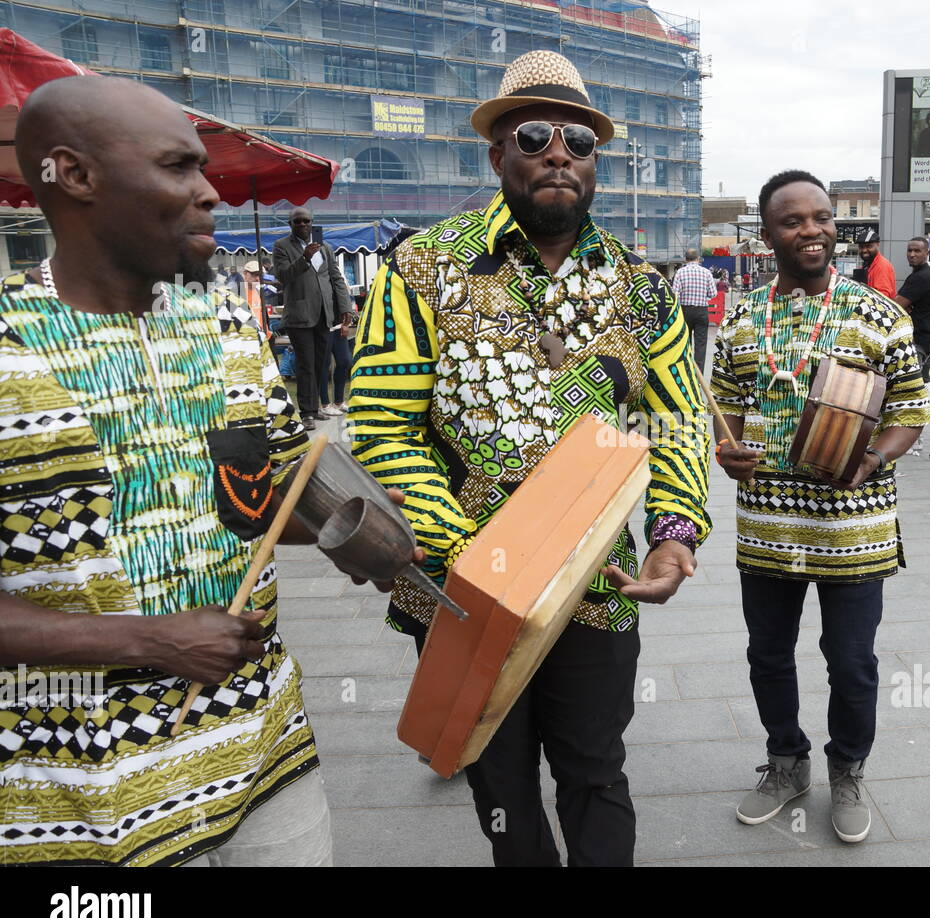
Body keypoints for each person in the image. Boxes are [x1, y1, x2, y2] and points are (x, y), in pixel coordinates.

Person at [0, 74, 411, 866]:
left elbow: (263, 500)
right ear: (76, 176)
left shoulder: (225, 325)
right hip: (83, 805)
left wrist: (345, 527)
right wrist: (147, 640)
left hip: (267, 760)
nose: (210, 193)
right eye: (178, 167)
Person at [348, 50, 711, 867]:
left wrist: (674, 532)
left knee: (596, 771)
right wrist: (466, 554)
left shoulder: (640, 287)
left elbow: (678, 419)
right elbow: (383, 426)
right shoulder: (422, 269)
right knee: (498, 783)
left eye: (578, 141)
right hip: (463, 586)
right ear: (497, 153)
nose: (559, 154)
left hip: (598, 577)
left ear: (594, 160)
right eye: (536, 135)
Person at [711, 170, 928, 843]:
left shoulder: (879, 314)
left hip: (853, 526)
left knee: (852, 661)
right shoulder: (743, 317)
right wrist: (727, 451)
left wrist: (874, 457)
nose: (813, 231)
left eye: (823, 218)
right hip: (768, 526)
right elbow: (727, 414)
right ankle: (786, 761)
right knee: (768, 654)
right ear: (766, 233)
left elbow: (911, 412)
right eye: (793, 221)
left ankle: (848, 769)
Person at [272, 208, 355, 431]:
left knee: (321, 363)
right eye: (297, 221)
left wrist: (345, 307)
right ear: (290, 224)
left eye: (306, 221)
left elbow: (336, 279)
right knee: (306, 364)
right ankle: (307, 412)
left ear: (312, 223)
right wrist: (304, 258)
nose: (302, 225)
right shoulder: (282, 246)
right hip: (300, 315)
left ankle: (316, 407)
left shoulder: (326, 248)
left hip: (324, 314)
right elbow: (282, 276)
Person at [895, 236, 930, 382]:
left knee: (909, 387)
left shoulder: (922, 277)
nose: (912, 254)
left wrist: (902, 307)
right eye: (909, 250)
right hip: (916, 341)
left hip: (916, 342)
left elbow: (895, 306)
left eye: (917, 251)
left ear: (927, 253)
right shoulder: (918, 275)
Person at [671, 247, 717, 373]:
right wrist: (702, 295)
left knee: (685, 343)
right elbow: (713, 293)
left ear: (686, 259)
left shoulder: (680, 272)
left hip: (685, 311)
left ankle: (687, 371)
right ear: (698, 259)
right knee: (701, 344)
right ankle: (699, 375)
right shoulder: (706, 272)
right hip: (701, 311)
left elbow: (675, 294)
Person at [856, 228, 896, 300]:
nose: (864, 250)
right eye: (861, 247)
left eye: (869, 246)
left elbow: (883, 297)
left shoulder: (882, 266)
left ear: (878, 245)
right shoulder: (868, 265)